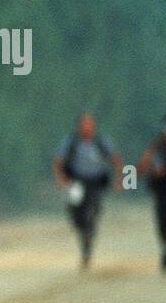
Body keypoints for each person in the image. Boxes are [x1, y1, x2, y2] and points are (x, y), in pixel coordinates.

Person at [52, 112, 123, 268]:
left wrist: (123, 180)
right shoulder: (71, 142)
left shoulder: (101, 141)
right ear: (78, 126)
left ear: (94, 126)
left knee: (93, 211)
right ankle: (83, 234)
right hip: (75, 182)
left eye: (89, 124)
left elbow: (117, 160)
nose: (86, 127)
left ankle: (88, 240)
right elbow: (58, 161)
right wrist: (60, 178)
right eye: (83, 124)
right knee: (75, 211)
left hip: (96, 182)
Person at [138, 109, 166, 274]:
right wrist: (128, 183)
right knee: (163, 226)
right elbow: (140, 167)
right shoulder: (157, 146)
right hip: (162, 191)